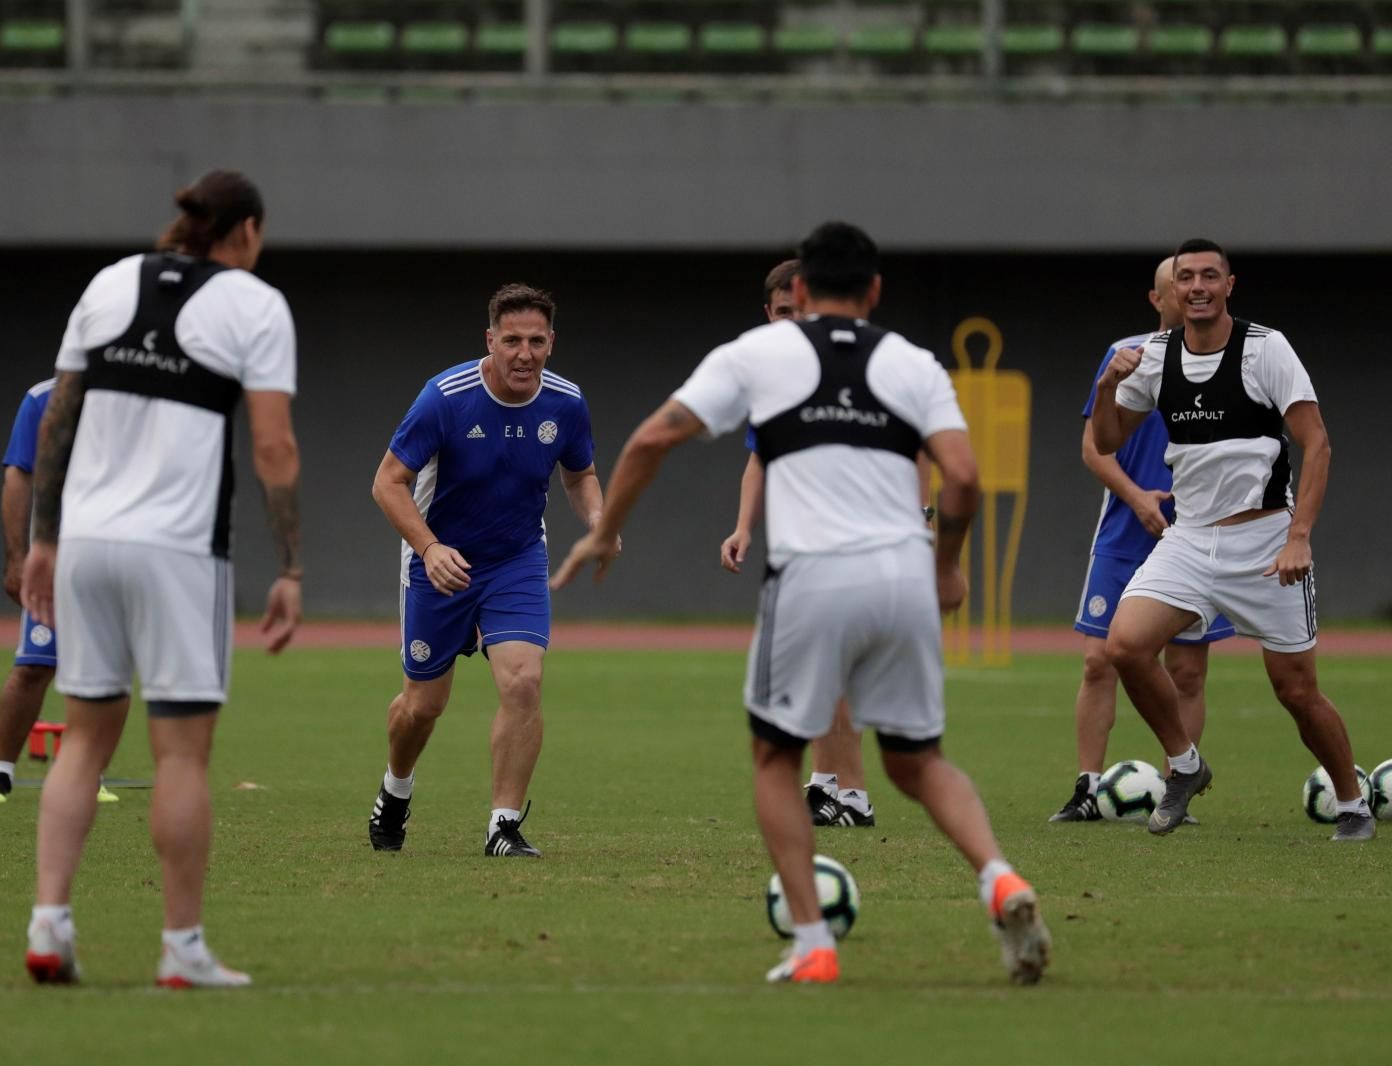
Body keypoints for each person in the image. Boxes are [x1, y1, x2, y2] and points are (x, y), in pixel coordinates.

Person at [552, 222, 1051, 985]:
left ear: (802, 293)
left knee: (775, 759)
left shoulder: (759, 353)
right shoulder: (911, 362)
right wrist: (947, 566)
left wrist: (602, 531)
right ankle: (1000, 879)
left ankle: (814, 943)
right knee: (919, 763)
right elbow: (963, 475)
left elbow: (653, 440)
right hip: (902, 575)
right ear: (875, 292)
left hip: (814, 575)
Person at [20, 170, 304, 988]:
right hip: (177, 551)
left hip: (84, 543)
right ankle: (182, 949)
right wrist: (290, 565)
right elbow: (274, 448)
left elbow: (58, 420)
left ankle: (49, 925)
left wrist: (44, 541)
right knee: (181, 754)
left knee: (82, 740)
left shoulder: (107, 283)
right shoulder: (255, 304)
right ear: (246, 230)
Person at [1092, 237, 1372, 841]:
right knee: (1124, 646)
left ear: (1228, 285)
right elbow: (1108, 440)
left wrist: (1299, 537)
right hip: (1189, 540)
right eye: (1187, 276)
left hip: (1267, 539)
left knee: (1296, 691)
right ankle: (1186, 766)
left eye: (1209, 276)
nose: (1197, 286)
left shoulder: (1265, 349)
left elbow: (1317, 443)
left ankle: (1352, 802)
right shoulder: (1155, 355)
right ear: (1173, 290)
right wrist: (1108, 387)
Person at [366, 284, 606, 858]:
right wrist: (428, 548)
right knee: (421, 708)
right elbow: (387, 482)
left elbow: (579, 474)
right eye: (513, 341)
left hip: (517, 559)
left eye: (537, 341)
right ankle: (396, 789)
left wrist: (599, 519)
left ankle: (503, 825)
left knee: (523, 681)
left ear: (552, 342)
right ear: (490, 340)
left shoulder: (566, 402)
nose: (525, 354)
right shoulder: (446, 397)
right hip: (439, 561)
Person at [1051, 258, 1233, 822]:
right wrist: (1136, 497)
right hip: (1126, 532)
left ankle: (1178, 785)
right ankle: (1086, 789)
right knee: (1098, 661)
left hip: (1199, 534)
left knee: (1187, 670)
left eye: (1201, 286)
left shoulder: (1233, 359)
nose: (1191, 296)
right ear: (1158, 300)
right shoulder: (1124, 357)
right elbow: (1092, 447)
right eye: (1178, 289)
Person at [720, 258, 874, 829]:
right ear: (769, 315)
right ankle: (836, 789)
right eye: (784, 312)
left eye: (802, 310)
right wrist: (743, 527)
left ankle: (841, 791)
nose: (794, 321)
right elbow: (758, 459)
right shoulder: (775, 383)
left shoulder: (858, 368)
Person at [0, 379, 119, 807]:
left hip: (115, 556)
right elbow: (18, 474)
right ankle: (0, 772)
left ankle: (90, 773)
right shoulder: (41, 399)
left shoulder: (133, 397)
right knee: (34, 665)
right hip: (56, 558)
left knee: (105, 670)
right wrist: (17, 556)